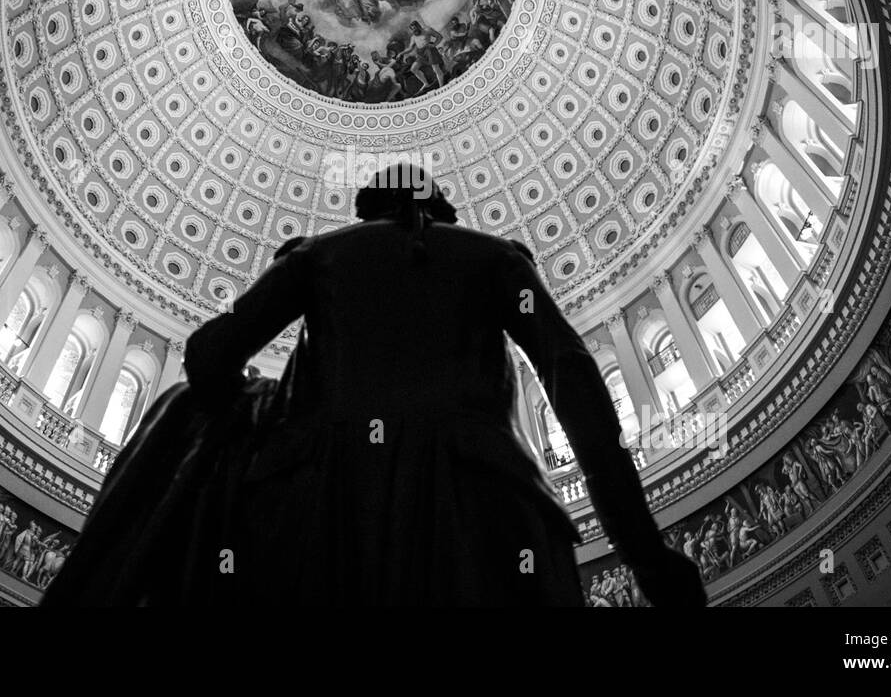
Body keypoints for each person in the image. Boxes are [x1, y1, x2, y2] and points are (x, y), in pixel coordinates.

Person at [44, 164, 704, 607]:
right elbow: (578, 387)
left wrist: (257, 381)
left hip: (328, 511)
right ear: (440, 205)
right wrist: (644, 550)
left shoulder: (320, 255)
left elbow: (211, 361)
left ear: (368, 207)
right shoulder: (496, 258)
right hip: (491, 507)